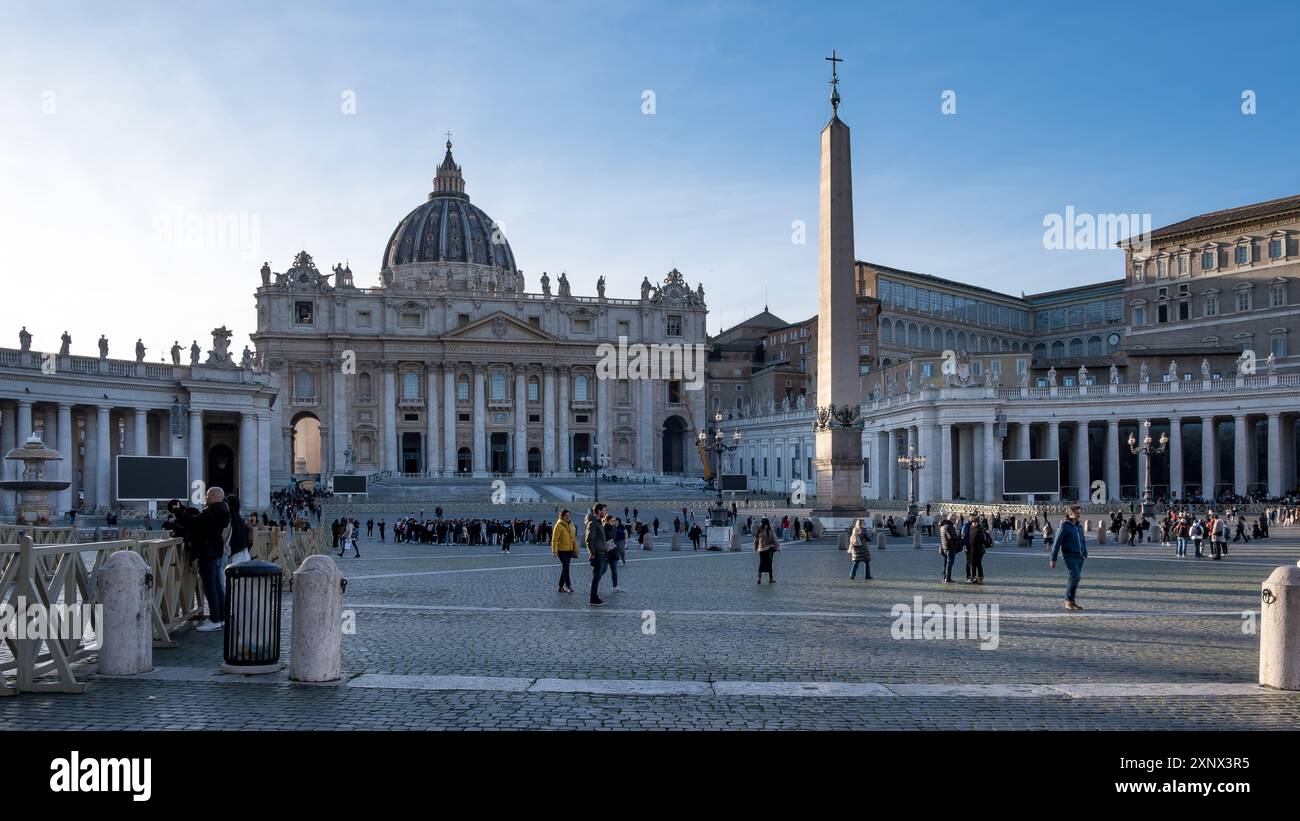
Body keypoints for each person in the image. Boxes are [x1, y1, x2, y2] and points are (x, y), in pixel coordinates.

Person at [192, 487, 231, 631]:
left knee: (210, 587)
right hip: (215, 552)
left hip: (208, 552)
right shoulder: (223, 511)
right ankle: (221, 618)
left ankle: (215, 619)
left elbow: (195, 524)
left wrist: (183, 515)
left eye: (207, 495)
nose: (205, 498)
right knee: (217, 586)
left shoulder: (211, 512)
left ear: (214, 497)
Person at [1050, 503, 1088, 611]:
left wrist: (1085, 553)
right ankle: (1067, 601)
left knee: (1075, 578)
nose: (1078, 515)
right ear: (1070, 513)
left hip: (1080, 556)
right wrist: (1053, 558)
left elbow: (1082, 540)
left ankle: (1071, 601)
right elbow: (1057, 542)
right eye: (1076, 513)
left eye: (1079, 512)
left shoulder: (1079, 526)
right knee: (1075, 576)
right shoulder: (1064, 526)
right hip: (1069, 555)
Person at [585, 503, 609, 606]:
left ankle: (594, 595)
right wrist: (592, 553)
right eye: (604, 510)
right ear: (599, 511)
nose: (606, 512)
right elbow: (589, 539)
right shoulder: (594, 523)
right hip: (597, 553)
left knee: (602, 571)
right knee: (597, 574)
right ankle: (593, 597)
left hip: (602, 552)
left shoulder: (599, 522)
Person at [551, 509, 577, 593]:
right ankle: (568, 586)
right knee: (566, 567)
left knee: (565, 568)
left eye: (569, 515)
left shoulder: (571, 524)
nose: (568, 517)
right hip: (561, 550)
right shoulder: (558, 525)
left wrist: (574, 545)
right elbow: (554, 539)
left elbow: (573, 535)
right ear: (562, 516)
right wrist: (554, 551)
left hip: (569, 549)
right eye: (566, 515)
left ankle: (560, 587)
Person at [964, 512, 989, 584]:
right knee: (973, 563)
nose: (973, 523)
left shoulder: (979, 529)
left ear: (977, 522)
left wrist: (977, 544)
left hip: (978, 549)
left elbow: (982, 540)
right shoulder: (971, 528)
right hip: (971, 549)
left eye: (975, 522)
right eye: (972, 522)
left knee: (977, 563)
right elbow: (969, 538)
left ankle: (979, 577)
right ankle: (973, 577)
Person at [754, 517, 779, 584]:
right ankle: (770, 578)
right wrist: (777, 546)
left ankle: (759, 579)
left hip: (761, 549)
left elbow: (756, 540)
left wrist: (755, 547)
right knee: (769, 564)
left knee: (761, 563)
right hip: (768, 549)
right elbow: (774, 539)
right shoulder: (770, 529)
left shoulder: (759, 529)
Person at [939, 513, 962, 583]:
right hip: (950, 547)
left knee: (945, 564)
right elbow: (951, 537)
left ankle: (944, 577)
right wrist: (960, 537)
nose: (956, 521)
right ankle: (948, 578)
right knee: (949, 564)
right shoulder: (949, 526)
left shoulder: (943, 526)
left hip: (944, 547)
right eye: (955, 519)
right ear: (952, 519)